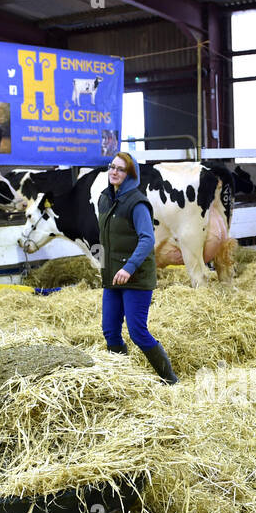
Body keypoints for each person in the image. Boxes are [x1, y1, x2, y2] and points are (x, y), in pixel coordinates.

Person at [98, 152, 177, 384]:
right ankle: (121, 380)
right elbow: (103, 237)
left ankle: (170, 379)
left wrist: (129, 268)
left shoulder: (137, 203)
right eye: (112, 167)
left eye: (120, 169)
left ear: (130, 174)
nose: (114, 172)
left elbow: (147, 240)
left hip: (136, 277)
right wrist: (102, 265)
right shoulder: (105, 199)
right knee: (110, 331)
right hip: (112, 276)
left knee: (137, 333)